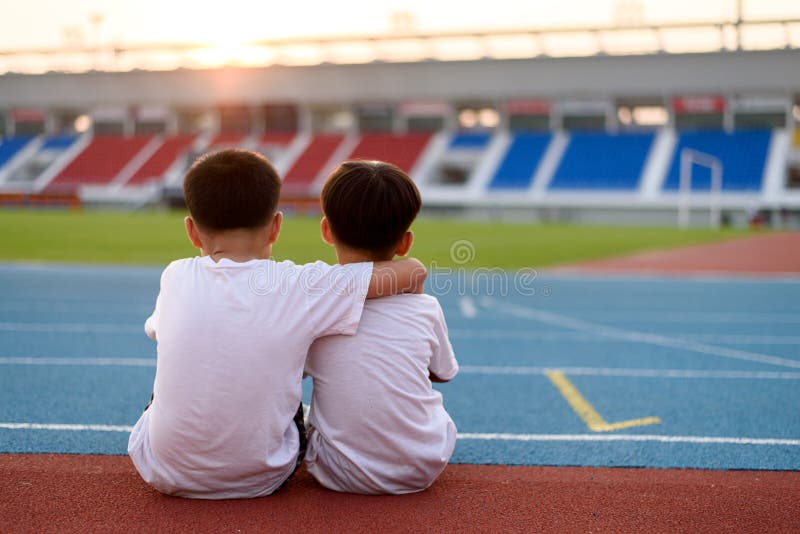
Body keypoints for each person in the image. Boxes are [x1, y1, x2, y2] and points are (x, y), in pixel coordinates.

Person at [127, 149, 426, 499]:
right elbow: (411, 271)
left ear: (192, 233)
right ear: (276, 227)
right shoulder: (300, 285)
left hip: (162, 472)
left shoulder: (175, 275)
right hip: (262, 478)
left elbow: (159, 332)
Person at [303, 160, 459, 495]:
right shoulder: (426, 307)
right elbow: (442, 373)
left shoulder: (313, 302)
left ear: (326, 230)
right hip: (423, 467)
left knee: (295, 408)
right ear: (405, 243)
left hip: (337, 473)